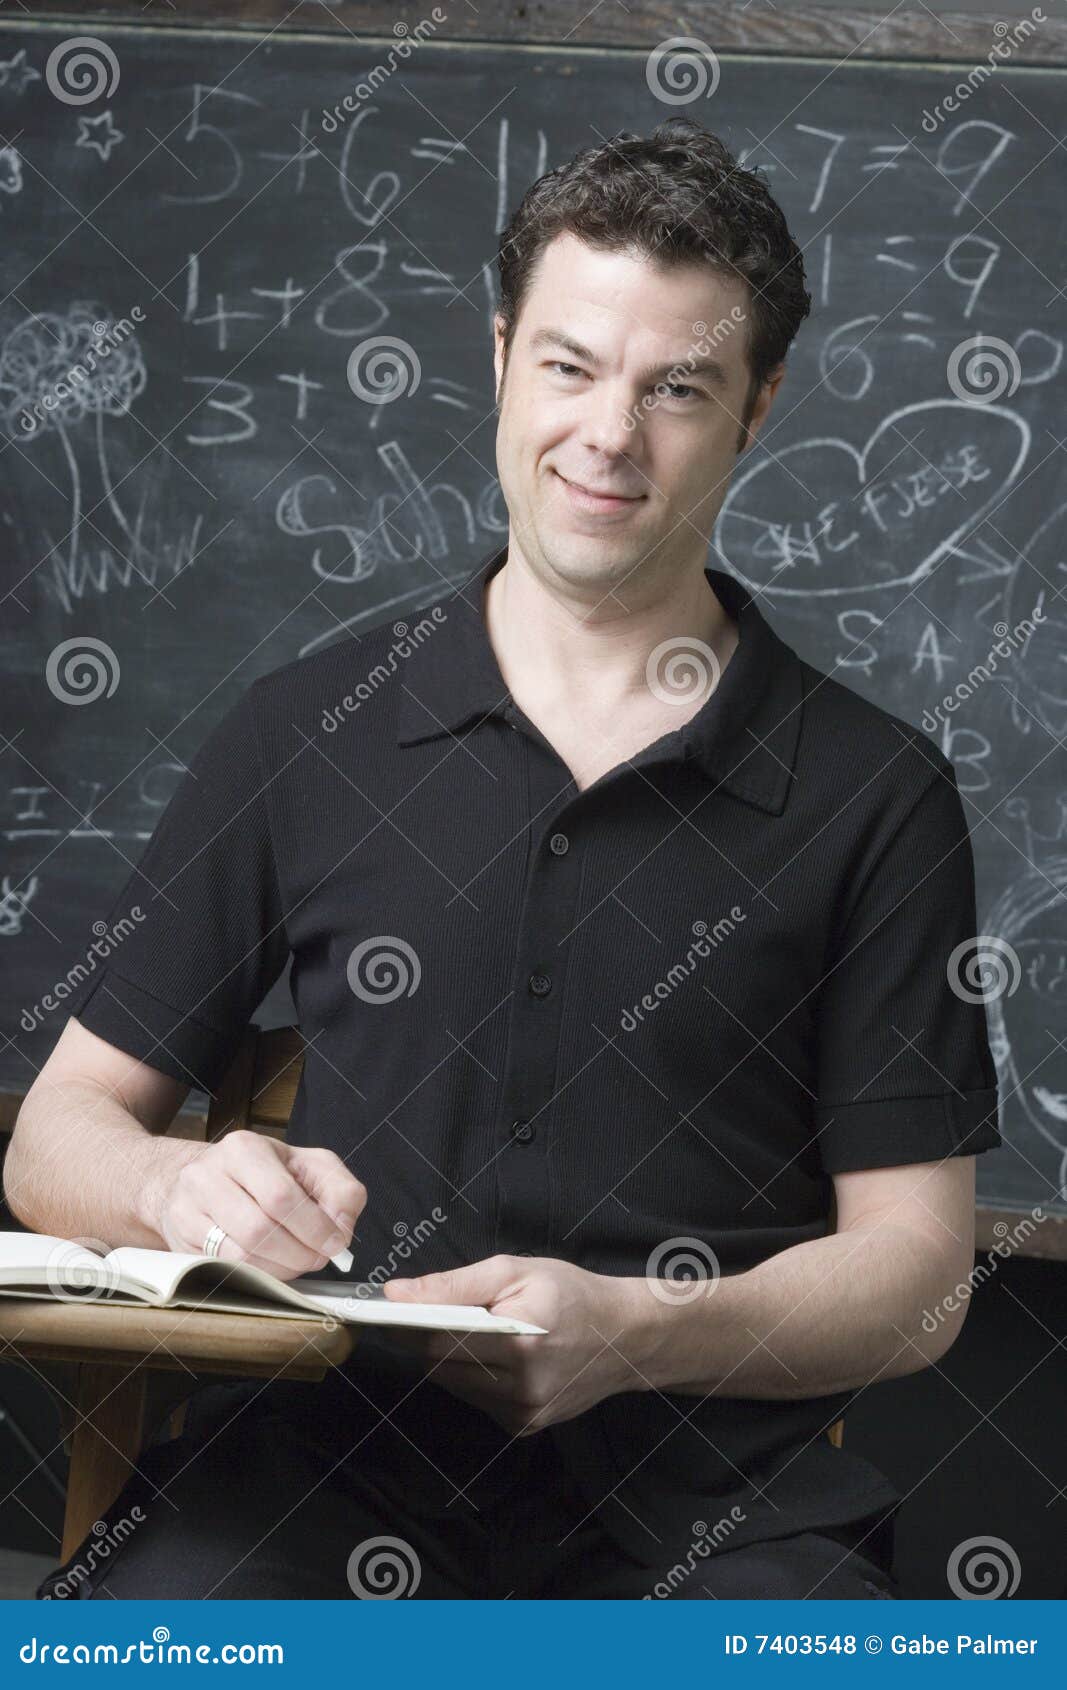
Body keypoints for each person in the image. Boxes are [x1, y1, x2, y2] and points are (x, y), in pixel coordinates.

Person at [7, 117, 1001, 1600]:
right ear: (496, 361)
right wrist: (176, 1189)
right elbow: (53, 1137)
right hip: (317, 1474)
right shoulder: (308, 727)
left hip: (721, 1516)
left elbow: (919, 1278)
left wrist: (635, 1331)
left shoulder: (879, 796)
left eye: (678, 387)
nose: (610, 433)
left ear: (759, 408)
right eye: (570, 365)